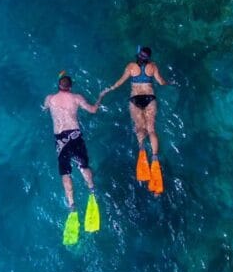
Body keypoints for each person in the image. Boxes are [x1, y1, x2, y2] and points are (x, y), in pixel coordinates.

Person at [99, 46, 174, 193]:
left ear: (138, 56)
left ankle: (141, 148)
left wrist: (107, 90)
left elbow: (119, 82)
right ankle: (154, 156)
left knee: (139, 127)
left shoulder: (131, 66)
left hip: (135, 99)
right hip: (150, 97)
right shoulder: (153, 67)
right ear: (148, 58)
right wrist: (170, 82)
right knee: (151, 129)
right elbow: (161, 82)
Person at [42, 72, 102, 211]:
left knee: (65, 173)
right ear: (70, 86)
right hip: (75, 135)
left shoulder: (50, 99)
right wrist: (100, 98)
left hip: (60, 139)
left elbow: (44, 109)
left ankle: (72, 204)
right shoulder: (76, 98)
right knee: (83, 166)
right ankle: (92, 190)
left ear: (59, 85)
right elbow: (93, 110)